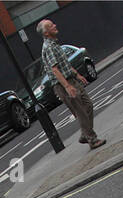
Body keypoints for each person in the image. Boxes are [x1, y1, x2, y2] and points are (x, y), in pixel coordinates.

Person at [39, 18, 104, 149]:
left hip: (71, 79)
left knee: (88, 105)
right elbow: (55, 69)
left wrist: (77, 75)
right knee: (80, 112)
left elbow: (64, 65)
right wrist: (67, 86)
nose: (55, 26)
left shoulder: (55, 44)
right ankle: (92, 140)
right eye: (51, 26)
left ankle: (84, 134)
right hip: (63, 84)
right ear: (46, 33)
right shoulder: (49, 47)